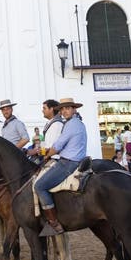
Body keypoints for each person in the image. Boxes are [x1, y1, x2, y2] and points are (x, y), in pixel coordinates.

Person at [33, 96, 87, 236]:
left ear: (74, 109)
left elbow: (58, 145)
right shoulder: (76, 123)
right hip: (74, 159)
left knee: (39, 186)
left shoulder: (71, 124)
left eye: (67, 108)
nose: (64, 111)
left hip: (68, 162)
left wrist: (46, 155)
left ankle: (53, 223)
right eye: (62, 109)